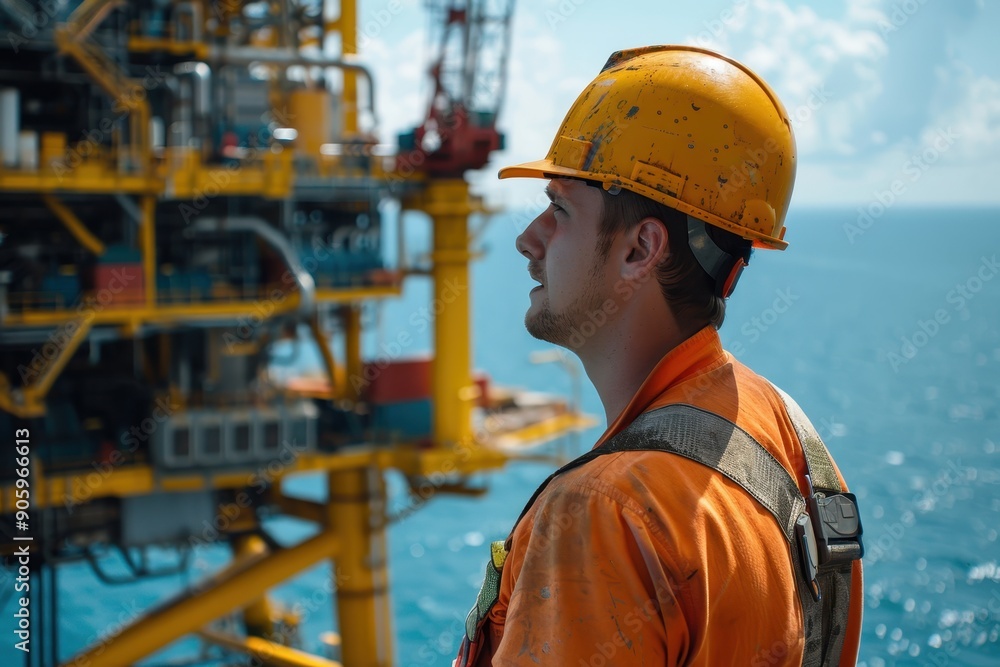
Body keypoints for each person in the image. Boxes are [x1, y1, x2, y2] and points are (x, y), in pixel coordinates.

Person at [454, 46, 864, 666]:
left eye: (560, 209)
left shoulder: (603, 516)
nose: (527, 238)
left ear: (640, 249)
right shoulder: (786, 434)